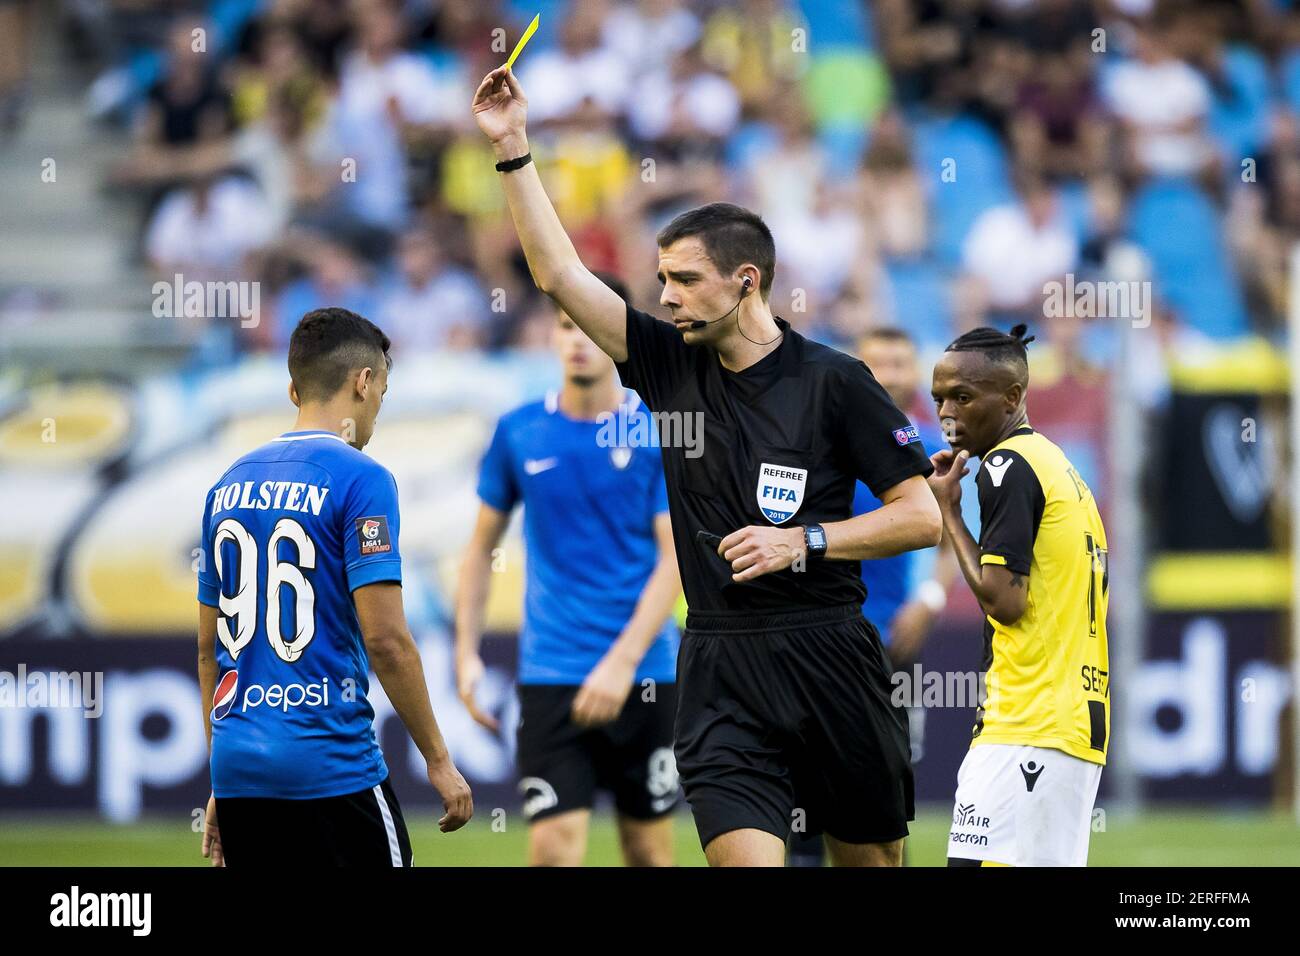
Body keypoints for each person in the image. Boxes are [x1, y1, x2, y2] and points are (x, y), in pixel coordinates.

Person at [472, 66, 941, 867]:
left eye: (685, 280)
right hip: (721, 662)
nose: (668, 297)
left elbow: (923, 515)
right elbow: (558, 275)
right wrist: (514, 147)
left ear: (745, 281)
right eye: (661, 281)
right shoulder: (665, 365)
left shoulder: (834, 381)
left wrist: (805, 543)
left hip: (830, 651)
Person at [196, 307, 472, 867]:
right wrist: (438, 760)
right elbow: (387, 641)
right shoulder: (362, 479)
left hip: (239, 767)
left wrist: (222, 776)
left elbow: (208, 650)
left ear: (294, 388)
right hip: (328, 764)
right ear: (363, 382)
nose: (375, 412)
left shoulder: (226, 485)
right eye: (382, 393)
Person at [455, 278, 682, 866]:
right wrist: (464, 653)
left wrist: (622, 663)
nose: (577, 339)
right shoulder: (519, 431)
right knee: (554, 851)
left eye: (588, 325)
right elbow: (480, 549)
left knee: (649, 853)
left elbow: (674, 558)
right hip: (552, 672)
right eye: (564, 325)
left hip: (645, 673)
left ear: (616, 332)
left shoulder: (658, 429)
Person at [927, 324, 1110, 867]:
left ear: (1012, 398)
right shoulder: (1061, 469)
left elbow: (1004, 601)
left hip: (1030, 723)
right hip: (1068, 719)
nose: (947, 413)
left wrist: (950, 513)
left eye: (962, 397)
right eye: (939, 398)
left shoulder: (1008, 465)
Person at [787, 327, 957, 868]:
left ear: (916, 375)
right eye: (877, 364)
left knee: (877, 799)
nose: (889, 375)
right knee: (803, 793)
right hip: (816, 635)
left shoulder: (934, 453)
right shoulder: (825, 442)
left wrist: (928, 600)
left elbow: (955, 540)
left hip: (889, 640)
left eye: (900, 363)